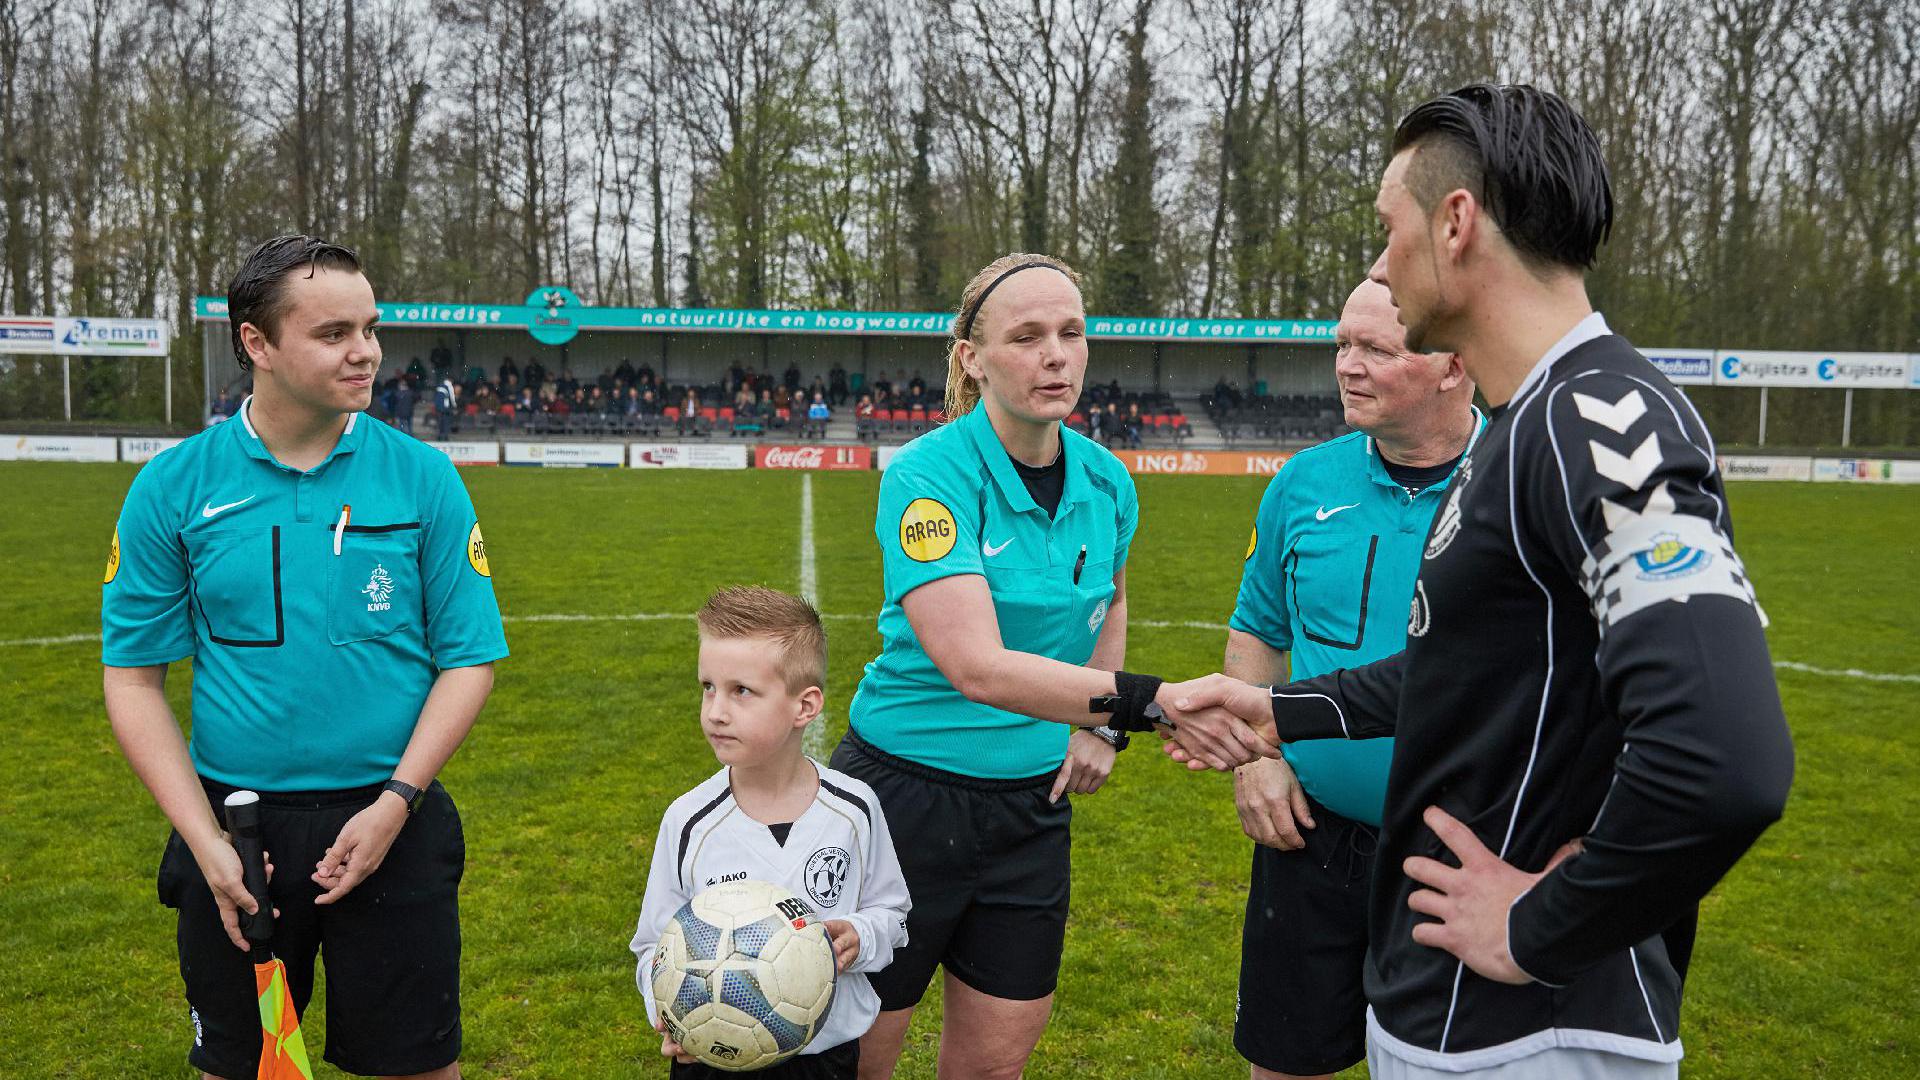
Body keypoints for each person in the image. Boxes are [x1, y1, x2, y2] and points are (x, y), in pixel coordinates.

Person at [1176, 84, 1793, 1079]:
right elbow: (1464, 671)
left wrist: (1542, 924)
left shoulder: (1600, 419)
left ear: (1456, 223)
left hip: (1532, 1030)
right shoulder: (1528, 427)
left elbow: (1727, 757)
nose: (1380, 264)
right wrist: (1275, 708)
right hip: (1454, 1013)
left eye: (1389, 228)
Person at [830, 252, 1278, 1080]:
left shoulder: (1108, 481)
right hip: (900, 806)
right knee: (858, 1058)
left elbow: (1109, 600)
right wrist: (1149, 703)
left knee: (996, 1066)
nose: (1056, 355)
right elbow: (977, 667)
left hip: (1032, 812)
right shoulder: (928, 476)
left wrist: (1100, 732)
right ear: (973, 357)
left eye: (1071, 333)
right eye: (1028, 336)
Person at [102, 235, 507, 1080]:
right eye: (333, 333)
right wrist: (206, 843)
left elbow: (469, 658)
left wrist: (397, 801)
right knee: (244, 1069)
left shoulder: (423, 477)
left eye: (370, 327)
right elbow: (134, 680)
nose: (364, 351)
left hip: (391, 819)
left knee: (419, 1068)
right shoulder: (174, 487)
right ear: (258, 344)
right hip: (240, 833)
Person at [1228, 279, 1482, 1080]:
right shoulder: (1302, 485)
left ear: (1454, 363)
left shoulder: (1521, 487)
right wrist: (1258, 758)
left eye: (1375, 348)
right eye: (1343, 344)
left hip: (1466, 859)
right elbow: (1256, 633)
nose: (1347, 365)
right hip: (1310, 841)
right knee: (1283, 1067)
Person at [631, 587, 912, 1080]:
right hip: (714, 1056)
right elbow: (653, 946)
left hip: (823, 1058)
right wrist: (673, 1012)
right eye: (708, 687)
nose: (716, 710)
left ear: (804, 707)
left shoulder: (853, 810)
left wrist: (859, 937)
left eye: (741, 691)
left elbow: (892, 914)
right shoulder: (689, 820)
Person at [433, 373, 459, 440]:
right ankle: (445, 437)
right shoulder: (449, 386)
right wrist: (454, 407)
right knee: (446, 422)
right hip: (445, 408)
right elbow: (452, 397)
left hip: (438, 407)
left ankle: (439, 436)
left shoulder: (439, 386)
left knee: (440, 423)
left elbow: (435, 396)